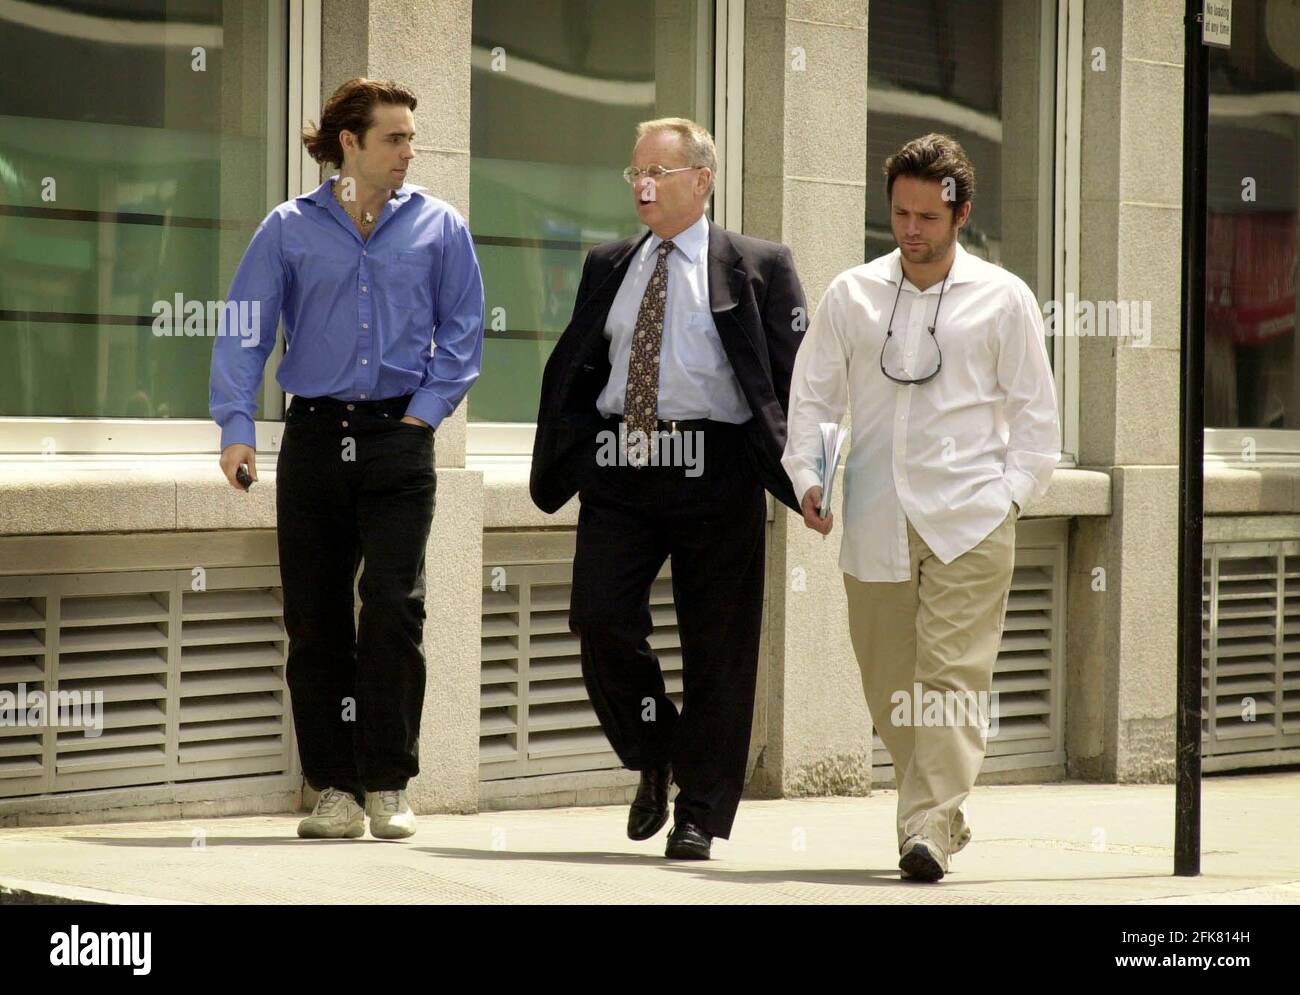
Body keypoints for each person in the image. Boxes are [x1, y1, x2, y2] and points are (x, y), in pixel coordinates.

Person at [209, 78, 485, 841]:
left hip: (399, 437)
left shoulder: (439, 226)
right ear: (350, 144)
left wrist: (424, 417)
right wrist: (236, 425)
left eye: (410, 138)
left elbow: (463, 333)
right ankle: (335, 786)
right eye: (393, 138)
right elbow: (242, 326)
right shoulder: (289, 228)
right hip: (315, 440)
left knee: (394, 606)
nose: (408, 152)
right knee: (316, 616)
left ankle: (389, 780)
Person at [782, 133, 1060, 881]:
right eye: (901, 213)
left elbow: (1037, 422)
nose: (912, 229)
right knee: (892, 689)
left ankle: (928, 827)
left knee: (951, 679)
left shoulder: (1004, 298)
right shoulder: (852, 294)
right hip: (874, 518)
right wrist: (807, 475)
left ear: (960, 212)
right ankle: (935, 807)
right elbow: (810, 398)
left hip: (970, 518)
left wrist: (1008, 500)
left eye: (927, 217)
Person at [530, 117, 806, 859]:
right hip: (623, 466)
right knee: (599, 616)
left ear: (702, 180)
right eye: (635, 173)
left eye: (659, 172)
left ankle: (700, 812)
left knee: (719, 646)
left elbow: (794, 382)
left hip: (715, 467)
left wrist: (809, 476)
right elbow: (584, 367)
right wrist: (584, 449)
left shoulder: (757, 264)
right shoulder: (609, 263)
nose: (643, 186)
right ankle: (656, 748)